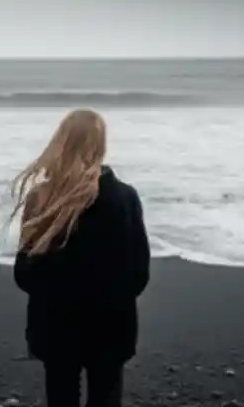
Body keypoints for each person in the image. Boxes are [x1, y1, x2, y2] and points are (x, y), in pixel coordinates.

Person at [11, 109, 151, 407]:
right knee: (106, 396)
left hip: (55, 325)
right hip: (112, 324)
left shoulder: (41, 198)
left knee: (61, 395)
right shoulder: (125, 197)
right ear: (100, 146)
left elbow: (24, 275)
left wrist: (57, 295)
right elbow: (139, 274)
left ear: (60, 143)